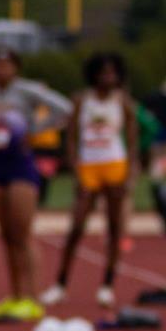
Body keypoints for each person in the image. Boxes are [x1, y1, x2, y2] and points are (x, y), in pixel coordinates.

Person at [0, 48, 71, 321]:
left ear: (16, 68)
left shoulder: (27, 91)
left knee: (23, 234)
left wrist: (36, 131)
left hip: (21, 166)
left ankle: (32, 298)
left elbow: (65, 109)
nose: (1, 70)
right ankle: (15, 295)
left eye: (7, 65)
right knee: (6, 236)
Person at [45, 51, 139, 308]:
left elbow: (132, 138)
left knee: (114, 228)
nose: (108, 77)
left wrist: (131, 170)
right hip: (89, 166)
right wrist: (74, 166)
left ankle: (107, 285)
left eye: (112, 72)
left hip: (114, 165)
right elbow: (72, 136)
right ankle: (60, 284)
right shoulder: (80, 101)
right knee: (76, 227)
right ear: (93, 74)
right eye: (103, 72)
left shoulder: (123, 102)